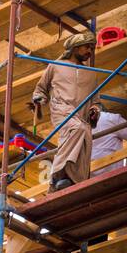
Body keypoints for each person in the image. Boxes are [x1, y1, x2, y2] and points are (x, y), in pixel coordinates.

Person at [31, 31, 102, 193]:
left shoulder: (91, 73)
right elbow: (41, 88)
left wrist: (95, 110)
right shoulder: (56, 66)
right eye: (86, 47)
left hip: (82, 115)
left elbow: (96, 101)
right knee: (77, 129)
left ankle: (70, 180)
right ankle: (58, 174)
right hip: (61, 110)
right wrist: (39, 99)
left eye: (92, 48)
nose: (90, 51)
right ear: (75, 47)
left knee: (85, 137)